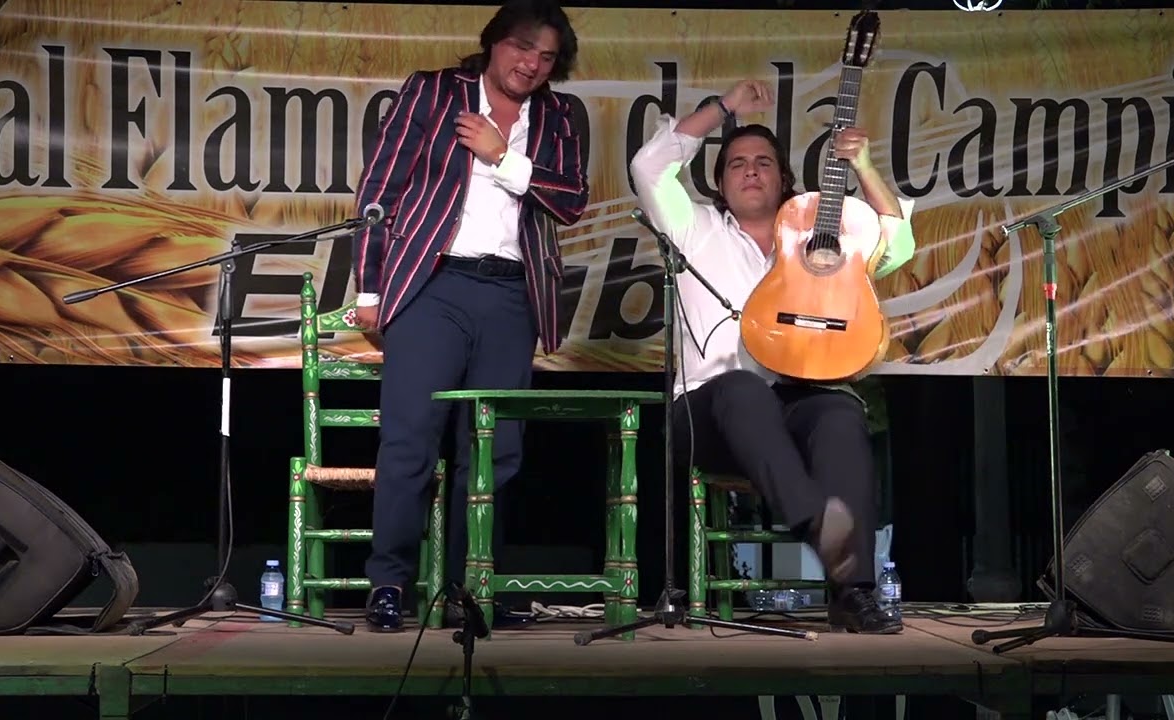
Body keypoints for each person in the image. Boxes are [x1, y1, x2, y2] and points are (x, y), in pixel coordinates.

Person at [629, 79, 915, 634]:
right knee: (742, 388)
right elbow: (648, 166)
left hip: (791, 402)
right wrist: (727, 108)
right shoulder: (695, 228)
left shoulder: (819, 244)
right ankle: (816, 525)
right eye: (737, 164)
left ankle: (851, 592)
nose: (752, 170)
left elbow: (897, 245)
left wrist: (864, 168)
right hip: (710, 414)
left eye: (764, 161)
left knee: (837, 411)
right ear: (719, 184)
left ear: (784, 179)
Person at [349, 0, 587, 632]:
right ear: (493, 44)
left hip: (512, 292)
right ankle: (390, 585)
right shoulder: (434, 92)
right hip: (434, 283)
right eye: (520, 48)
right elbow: (380, 190)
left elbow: (570, 200)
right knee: (411, 439)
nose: (531, 64)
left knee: (495, 449)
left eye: (545, 56)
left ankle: (469, 586)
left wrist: (503, 156)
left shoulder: (560, 114)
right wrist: (370, 287)